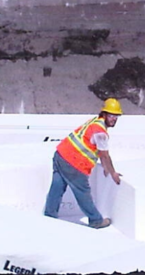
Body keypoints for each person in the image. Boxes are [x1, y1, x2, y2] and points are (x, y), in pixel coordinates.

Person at [43, 98, 124, 228]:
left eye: (116, 116)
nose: (114, 119)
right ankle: (96, 220)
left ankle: (49, 215)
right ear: (104, 114)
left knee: (57, 187)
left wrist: (105, 167)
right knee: (83, 192)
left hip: (60, 155)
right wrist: (113, 173)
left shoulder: (94, 122)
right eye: (111, 115)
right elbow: (104, 154)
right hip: (74, 163)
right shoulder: (100, 133)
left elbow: (93, 147)